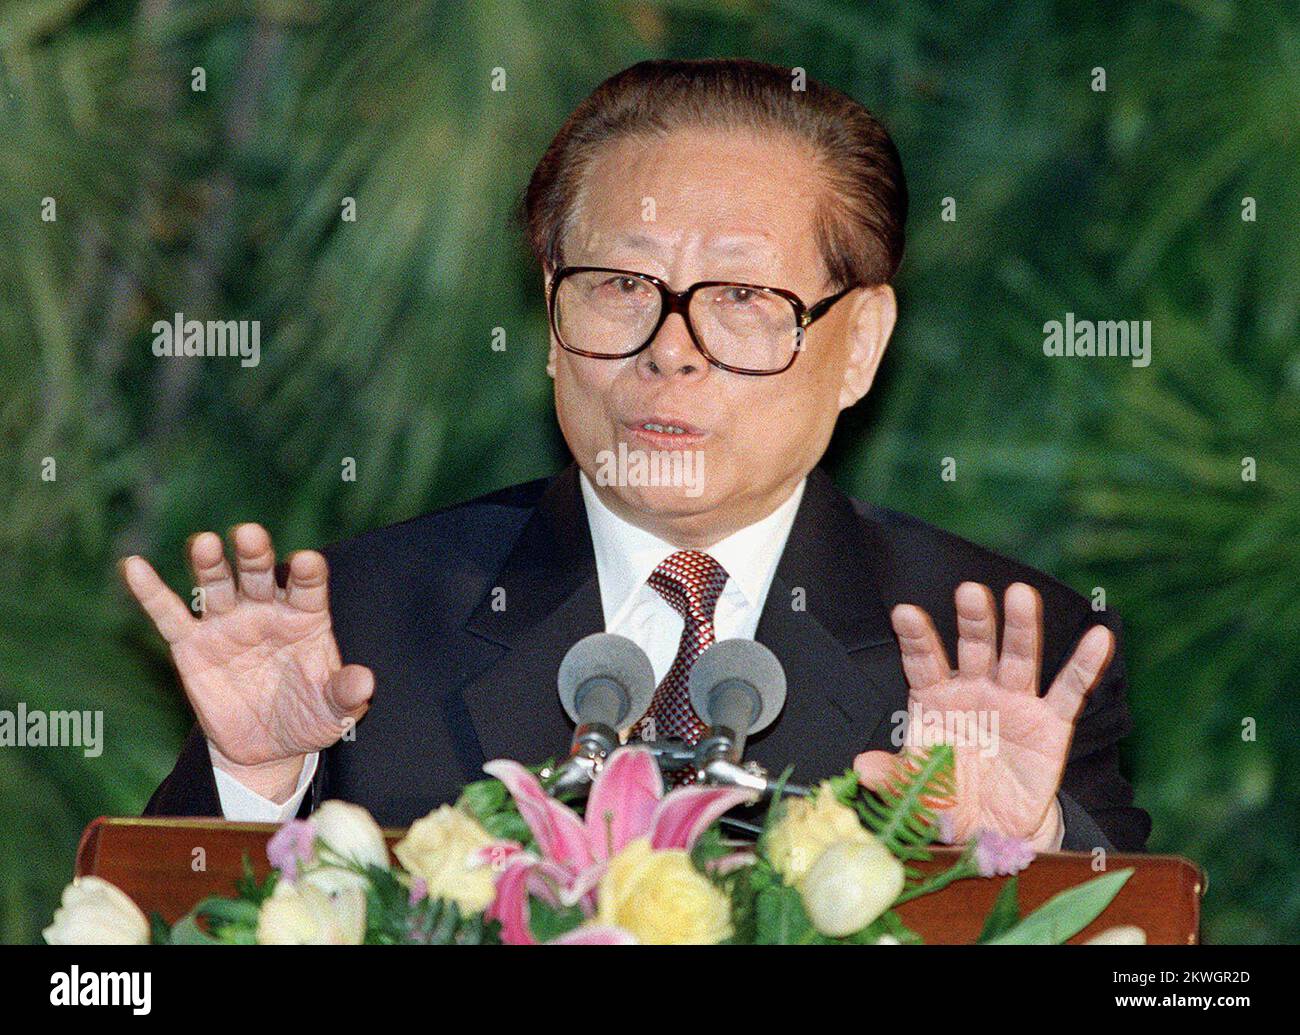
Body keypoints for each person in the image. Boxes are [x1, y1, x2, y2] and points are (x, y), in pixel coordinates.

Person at [125, 58, 1149, 851]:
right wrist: (252, 793)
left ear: (861, 345)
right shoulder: (364, 627)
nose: (668, 350)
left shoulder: (1010, 654)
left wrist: (1033, 851)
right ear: (548, 313)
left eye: (744, 299)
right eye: (619, 286)